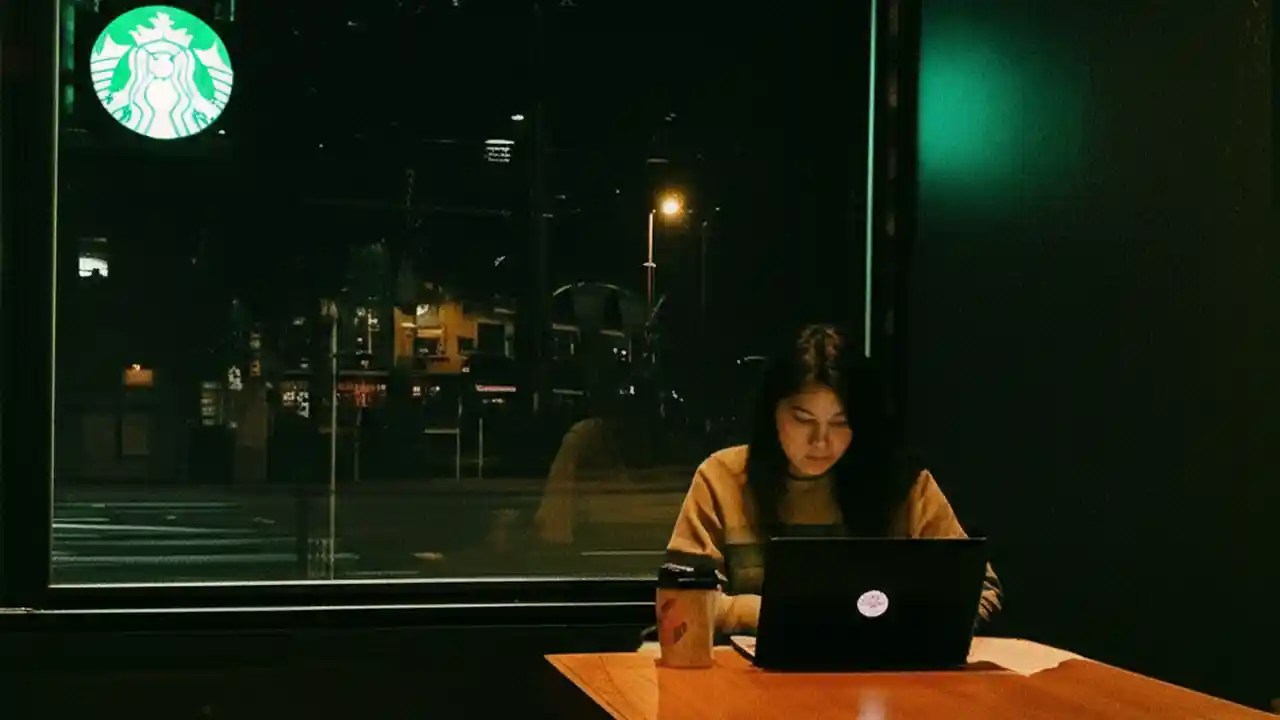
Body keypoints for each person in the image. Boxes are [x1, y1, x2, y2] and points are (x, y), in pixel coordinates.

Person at [664, 324, 1003, 635]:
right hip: (749, 683)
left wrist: (918, 626)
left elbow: (979, 589)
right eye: (802, 419)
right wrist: (778, 614)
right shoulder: (722, 478)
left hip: (884, 680)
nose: (821, 441)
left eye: (840, 422)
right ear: (771, 412)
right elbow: (678, 600)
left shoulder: (901, 484)